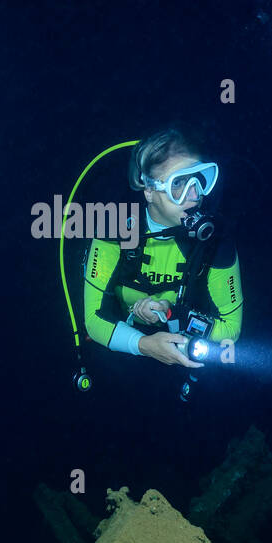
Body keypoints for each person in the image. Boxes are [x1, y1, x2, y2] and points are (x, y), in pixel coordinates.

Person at [82, 129, 243, 367]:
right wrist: (144, 346)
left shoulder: (216, 242)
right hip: (117, 360)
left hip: (183, 364)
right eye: (178, 183)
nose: (194, 195)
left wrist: (173, 314)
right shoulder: (113, 229)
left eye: (199, 179)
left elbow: (232, 329)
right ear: (149, 191)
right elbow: (94, 321)